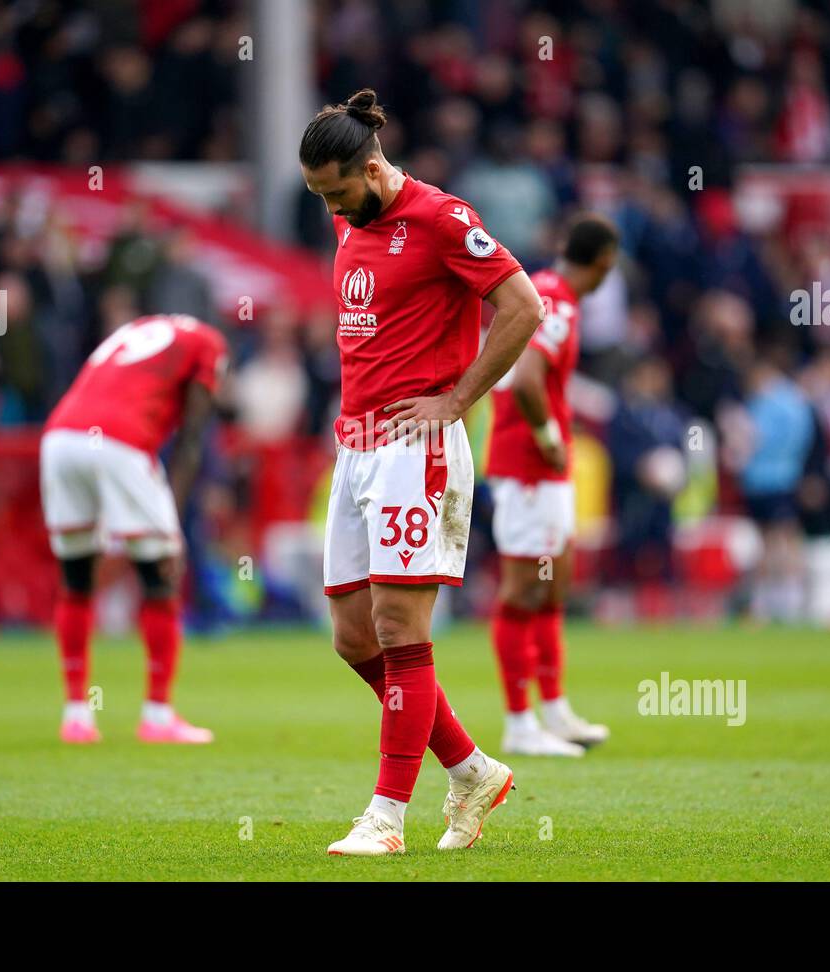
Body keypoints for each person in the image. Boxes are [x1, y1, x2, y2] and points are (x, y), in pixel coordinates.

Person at [299, 88, 545, 856]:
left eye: (337, 192)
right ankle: (470, 769)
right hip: (357, 447)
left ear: (371, 169)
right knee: (351, 636)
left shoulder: (443, 219)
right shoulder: (350, 216)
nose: (330, 207)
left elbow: (523, 307)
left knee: (400, 627)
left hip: (417, 449)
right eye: (319, 196)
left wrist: (459, 398)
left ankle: (387, 817)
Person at [41, 312, 227, 743]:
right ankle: (158, 714)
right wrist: (174, 519)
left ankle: (76, 715)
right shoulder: (209, 343)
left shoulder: (133, 328)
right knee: (160, 576)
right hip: (119, 441)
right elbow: (193, 437)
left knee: (76, 578)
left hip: (60, 437)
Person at [485, 215, 618, 757]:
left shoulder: (543, 291)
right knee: (522, 592)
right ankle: (520, 725)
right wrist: (546, 434)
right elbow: (527, 380)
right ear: (605, 264)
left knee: (553, 588)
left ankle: (556, 711)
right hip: (528, 466)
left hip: (543, 471)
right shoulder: (555, 302)